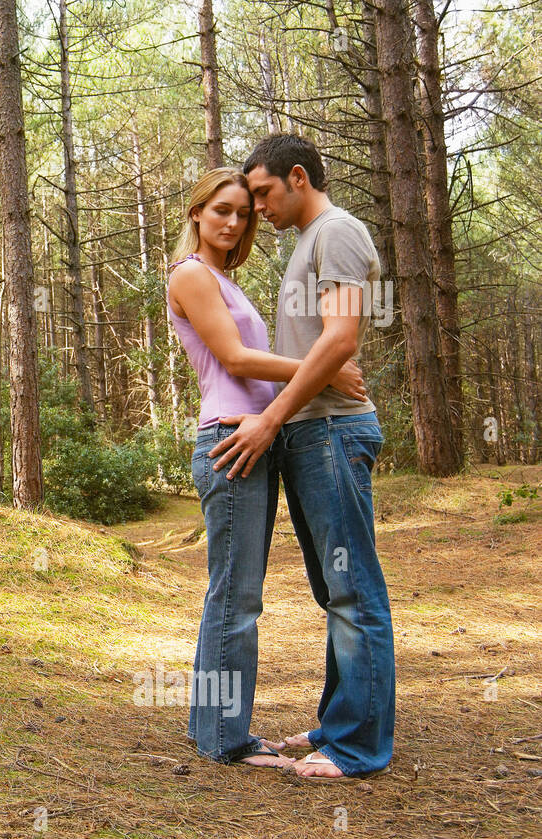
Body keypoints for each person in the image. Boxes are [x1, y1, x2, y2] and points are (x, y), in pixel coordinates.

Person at [167, 167, 367, 768]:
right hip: (231, 444)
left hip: (250, 442)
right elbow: (233, 358)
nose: (233, 222)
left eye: (244, 214)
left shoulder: (222, 279)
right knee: (237, 598)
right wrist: (322, 368)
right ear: (197, 213)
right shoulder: (191, 275)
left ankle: (211, 729)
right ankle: (226, 739)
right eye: (222, 210)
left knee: (234, 594)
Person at [208, 133, 395, 780]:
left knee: (353, 593)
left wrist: (272, 418)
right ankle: (338, 723)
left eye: (262, 194)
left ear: (297, 177)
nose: (256, 209)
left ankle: (358, 747)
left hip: (333, 433)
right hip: (312, 434)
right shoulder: (310, 243)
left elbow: (341, 338)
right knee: (334, 591)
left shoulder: (336, 231)